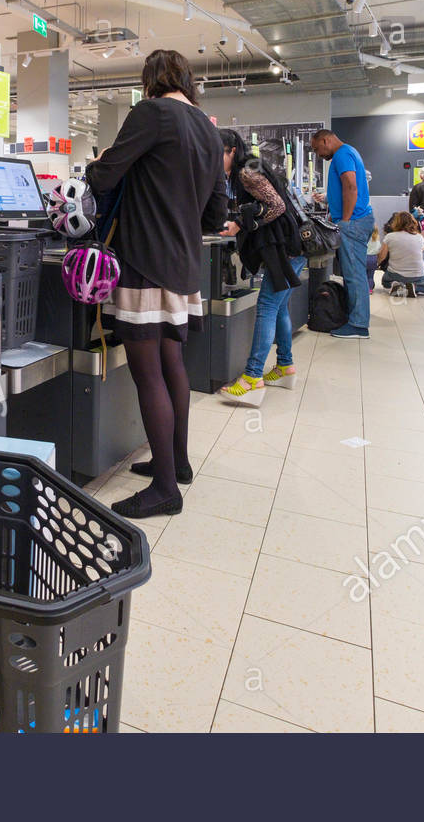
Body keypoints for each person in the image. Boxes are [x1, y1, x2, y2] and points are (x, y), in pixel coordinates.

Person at [85, 50, 226, 519]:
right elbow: (217, 214)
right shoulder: (207, 127)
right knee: (172, 365)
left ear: (151, 80)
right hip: (185, 265)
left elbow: (106, 175)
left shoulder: (151, 113)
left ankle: (165, 488)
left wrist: (97, 163)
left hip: (144, 260)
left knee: (147, 374)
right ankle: (177, 463)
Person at [217, 129, 306, 397]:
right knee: (278, 309)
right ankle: (285, 366)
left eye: (217, 153)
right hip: (291, 245)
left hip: (286, 248)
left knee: (267, 306)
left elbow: (276, 205)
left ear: (232, 151)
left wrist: (240, 223)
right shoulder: (252, 165)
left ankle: (253, 377)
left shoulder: (246, 172)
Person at [310, 129, 375, 339]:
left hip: (353, 222)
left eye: (317, 149)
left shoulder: (342, 155)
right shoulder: (347, 152)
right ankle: (355, 318)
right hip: (355, 220)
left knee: (354, 275)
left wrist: (345, 220)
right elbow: (343, 188)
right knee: (351, 274)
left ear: (325, 140)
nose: (318, 154)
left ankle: (358, 325)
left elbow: (350, 186)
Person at [378, 211, 424, 297]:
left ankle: (399, 287)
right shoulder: (419, 237)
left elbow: (381, 257)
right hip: (416, 276)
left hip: (395, 275)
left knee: (385, 282)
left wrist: (376, 264)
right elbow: (421, 251)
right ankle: (414, 287)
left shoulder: (390, 237)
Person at [365, 224, 382, 294]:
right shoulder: (377, 239)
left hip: (364, 257)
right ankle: (370, 289)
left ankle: (363, 288)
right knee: (370, 276)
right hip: (373, 259)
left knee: (363, 275)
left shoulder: (364, 238)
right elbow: (379, 250)